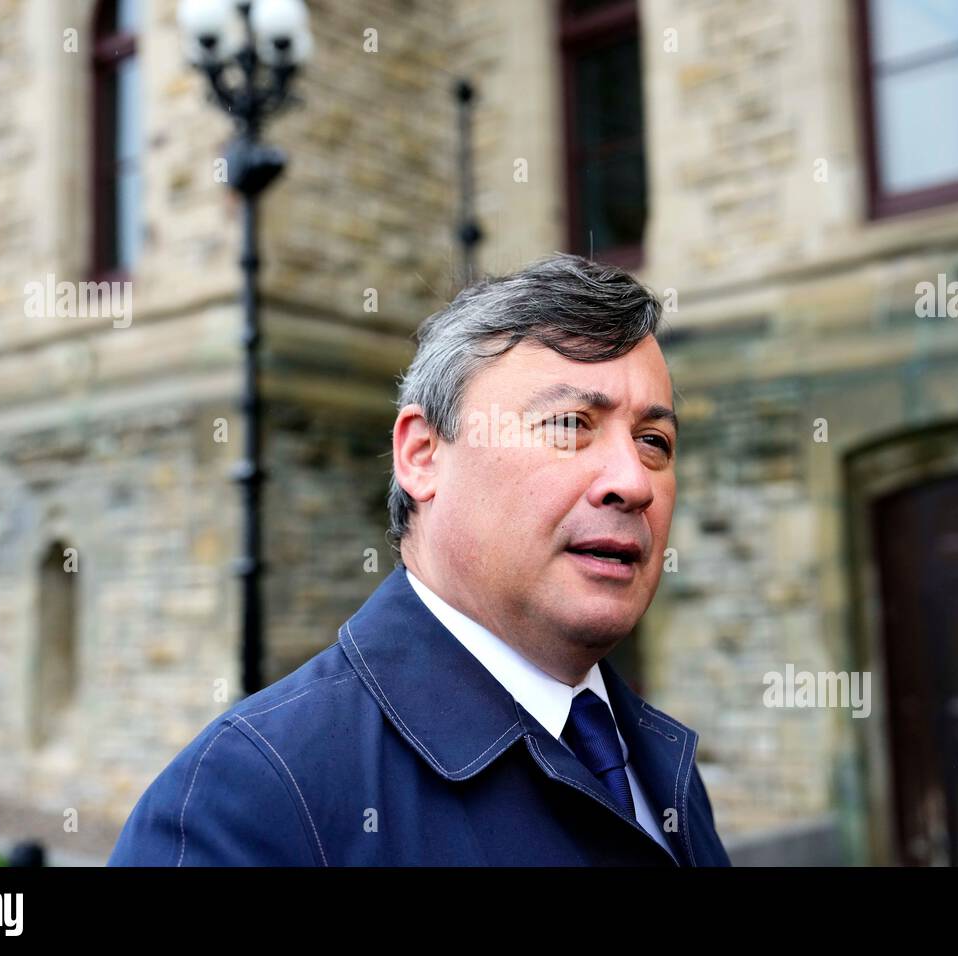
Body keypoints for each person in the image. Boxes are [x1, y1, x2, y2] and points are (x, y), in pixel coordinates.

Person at [108, 253, 731, 866]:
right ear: (423, 455)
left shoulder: (656, 761)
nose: (633, 481)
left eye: (654, 441)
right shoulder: (253, 796)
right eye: (570, 424)